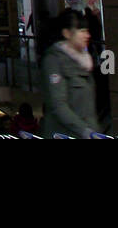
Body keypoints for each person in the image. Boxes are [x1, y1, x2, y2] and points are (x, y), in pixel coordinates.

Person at [40, 8, 99, 138]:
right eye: (82, 31)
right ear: (67, 33)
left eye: (87, 31)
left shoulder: (85, 61)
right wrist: (85, 131)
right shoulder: (53, 61)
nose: (87, 35)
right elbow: (58, 105)